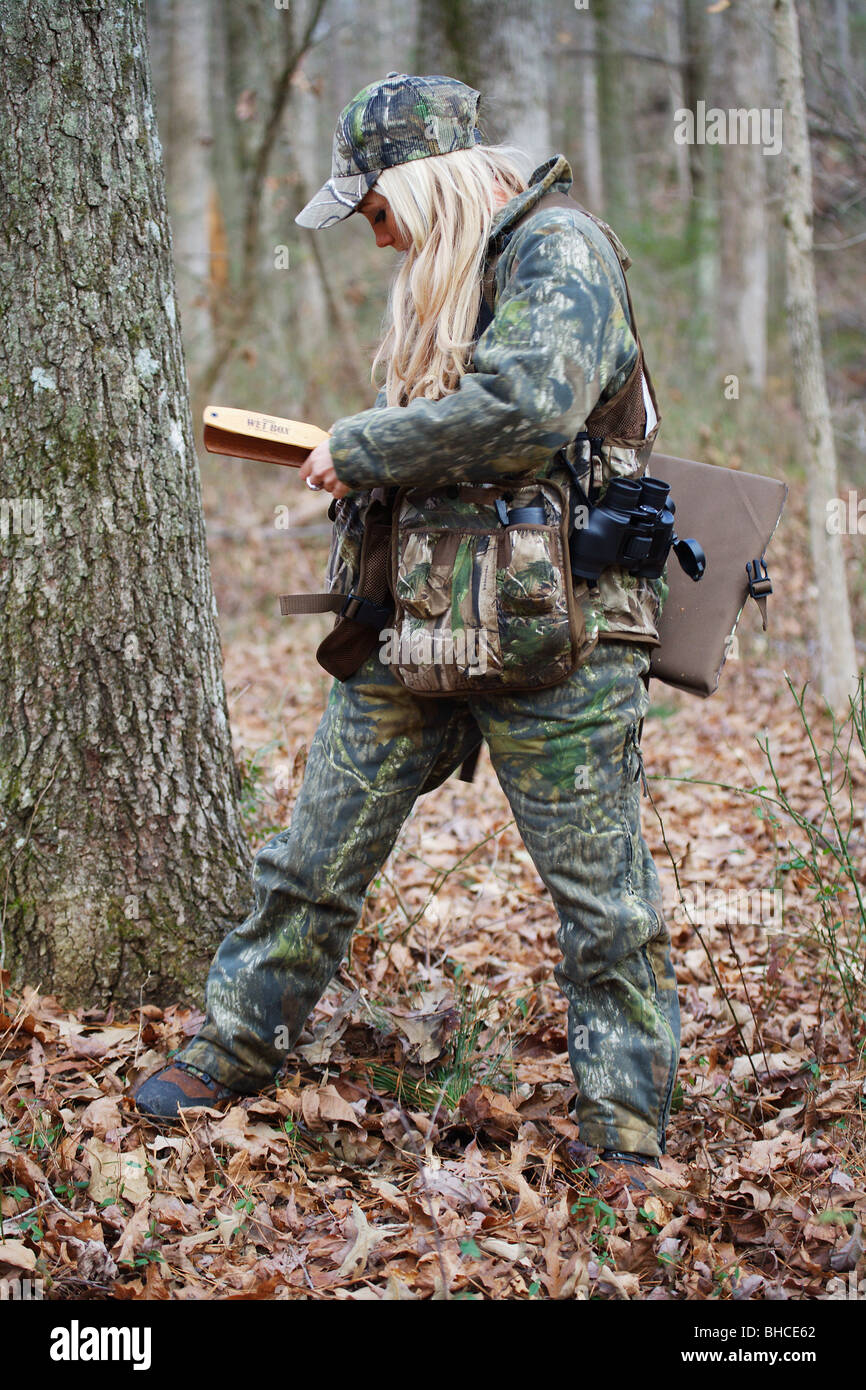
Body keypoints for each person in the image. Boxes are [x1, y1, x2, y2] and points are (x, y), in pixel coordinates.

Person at [134, 73, 680, 1185]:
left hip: (556, 634)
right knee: (310, 857)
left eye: (375, 209)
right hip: (417, 620)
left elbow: (528, 412)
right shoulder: (450, 273)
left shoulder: (556, 253)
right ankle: (237, 1041)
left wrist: (369, 445)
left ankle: (623, 1129)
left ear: (423, 186)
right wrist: (362, 464)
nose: (375, 237)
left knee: (603, 905)